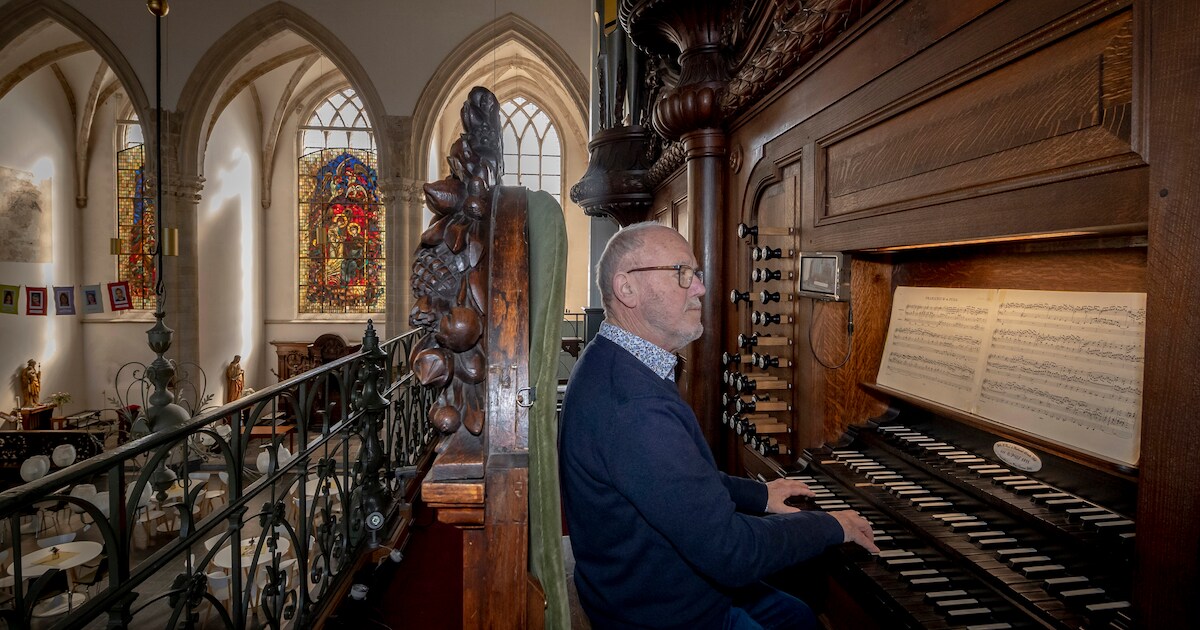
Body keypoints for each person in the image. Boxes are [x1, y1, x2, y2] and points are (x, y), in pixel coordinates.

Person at [560, 223, 877, 629]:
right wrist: (831, 525)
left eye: (695, 274)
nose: (699, 289)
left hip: (650, 587)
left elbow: (680, 484)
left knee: (798, 615)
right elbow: (732, 553)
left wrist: (759, 495)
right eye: (681, 274)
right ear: (627, 289)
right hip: (659, 614)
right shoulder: (635, 408)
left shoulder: (610, 359)